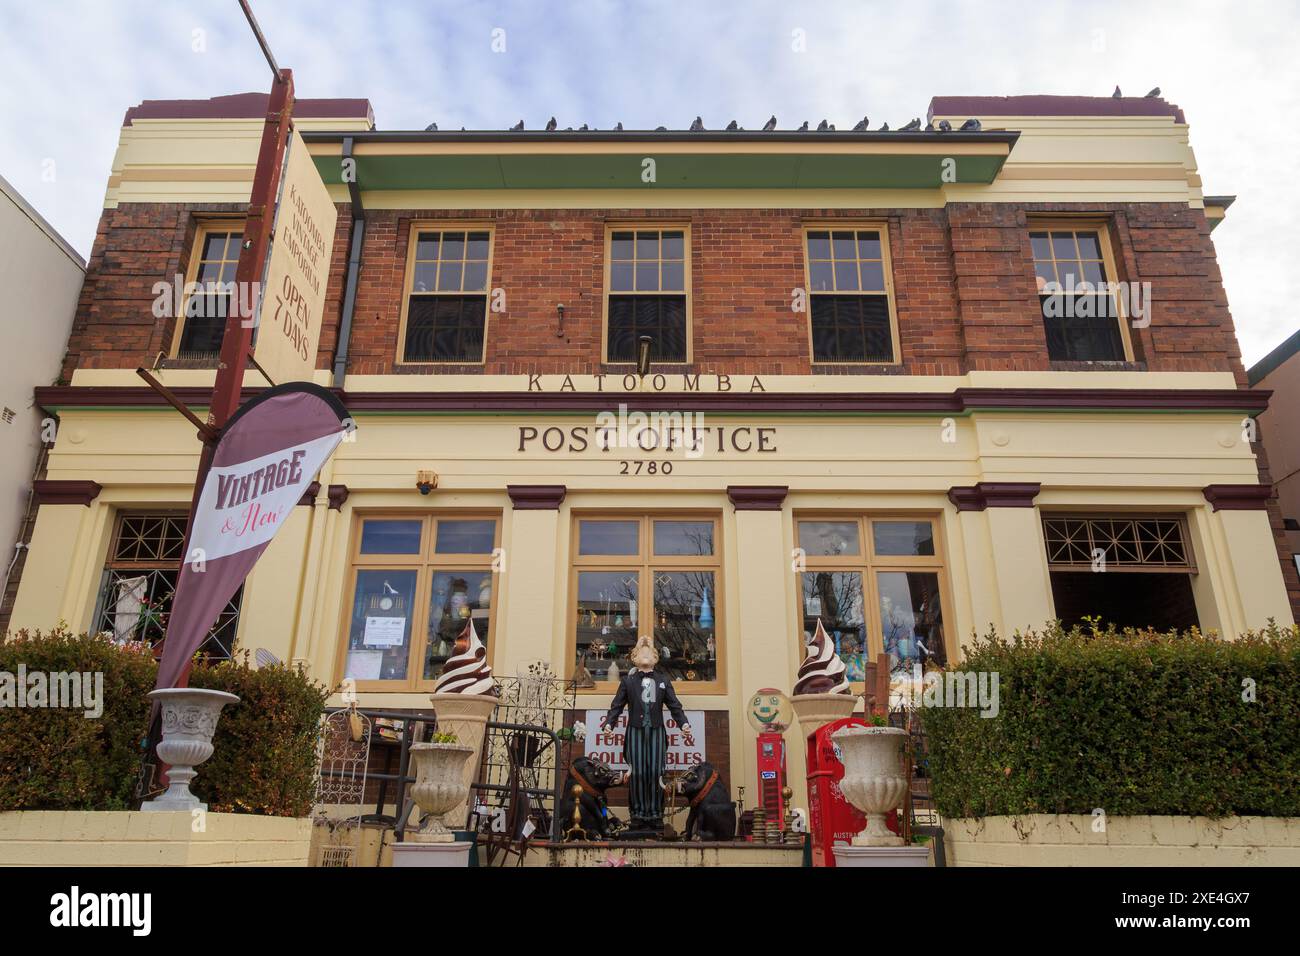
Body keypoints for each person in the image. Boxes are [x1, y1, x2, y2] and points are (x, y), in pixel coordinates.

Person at [601, 634, 692, 835]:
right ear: (633, 658)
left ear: (655, 658)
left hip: (657, 731)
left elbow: (674, 705)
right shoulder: (628, 681)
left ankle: (655, 815)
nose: (645, 654)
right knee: (638, 773)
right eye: (641, 652)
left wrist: (683, 724)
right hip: (635, 730)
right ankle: (638, 816)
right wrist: (609, 724)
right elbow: (617, 706)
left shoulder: (663, 680)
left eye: (649, 651)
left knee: (655, 773)